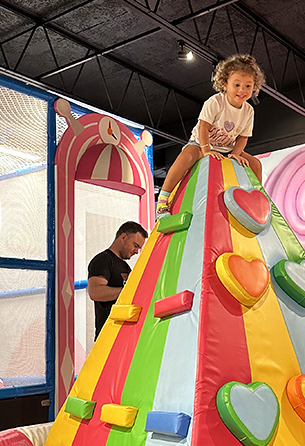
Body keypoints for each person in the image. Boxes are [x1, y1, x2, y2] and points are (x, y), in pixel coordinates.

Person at [155, 53, 265, 218]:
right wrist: (205, 150)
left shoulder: (249, 111)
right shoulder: (215, 102)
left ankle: (257, 200)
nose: (242, 90)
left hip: (227, 149)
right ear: (224, 84)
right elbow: (203, 127)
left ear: (254, 87)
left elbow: (243, 137)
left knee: (255, 164)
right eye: (237, 84)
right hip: (201, 143)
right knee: (186, 157)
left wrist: (235, 153)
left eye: (248, 86)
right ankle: (163, 201)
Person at [87, 221, 147, 339]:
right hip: (108, 336)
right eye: (135, 245)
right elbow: (95, 292)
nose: (136, 251)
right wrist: (128, 291)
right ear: (123, 237)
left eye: (139, 248)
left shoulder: (125, 267)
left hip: (125, 336)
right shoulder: (103, 260)